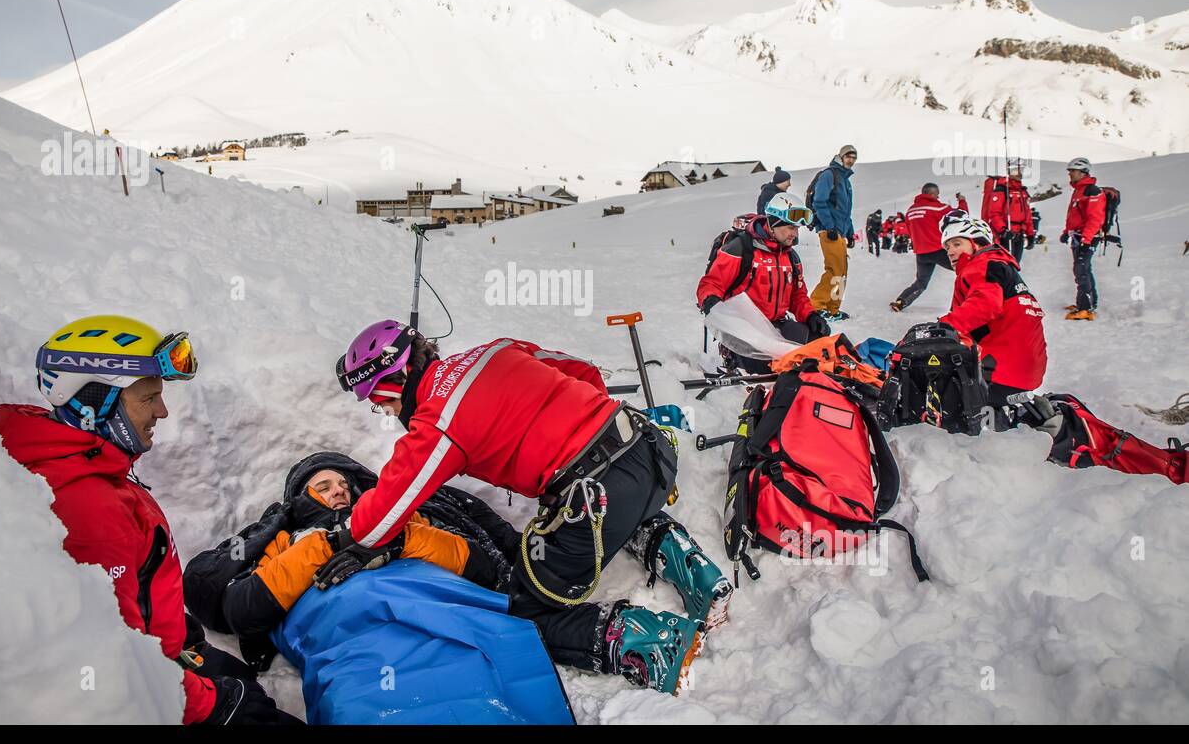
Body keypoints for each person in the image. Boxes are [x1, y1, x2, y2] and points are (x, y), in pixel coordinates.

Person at [333, 323, 733, 695]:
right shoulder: (495, 351)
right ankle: (691, 566)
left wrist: (344, 537)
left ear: (397, 381)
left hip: (600, 490)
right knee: (612, 504)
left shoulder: (438, 421)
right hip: (648, 449)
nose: (386, 413)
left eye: (380, 403)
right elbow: (585, 372)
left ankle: (642, 639)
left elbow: (382, 515)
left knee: (522, 611)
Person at [0, 315, 297, 724]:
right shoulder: (87, 504)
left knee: (238, 677)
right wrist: (213, 706)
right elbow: (112, 651)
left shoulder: (81, 459)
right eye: (148, 398)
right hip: (163, 692)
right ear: (94, 401)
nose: (163, 411)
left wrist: (177, 630)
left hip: (170, 652)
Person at [185, 452, 516, 662]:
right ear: (301, 499)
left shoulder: (396, 519)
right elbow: (244, 609)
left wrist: (397, 541)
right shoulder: (287, 540)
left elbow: (480, 568)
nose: (340, 490)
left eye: (343, 484)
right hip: (353, 649)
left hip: (439, 620)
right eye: (325, 486)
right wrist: (334, 543)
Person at [697, 192, 831, 373]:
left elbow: (797, 295)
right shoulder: (742, 249)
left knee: (819, 350)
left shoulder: (790, 256)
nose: (795, 234)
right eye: (791, 228)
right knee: (769, 368)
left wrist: (810, 316)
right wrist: (711, 301)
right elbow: (712, 283)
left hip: (777, 325)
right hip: (746, 328)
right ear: (774, 223)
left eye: (797, 229)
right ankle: (733, 357)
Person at [938, 214, 1047, 426]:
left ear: (977, 242)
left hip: (1001, 372)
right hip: (1026, 370)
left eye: (956, 243)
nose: (950, 251)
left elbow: (985, 305)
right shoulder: (1001, 266)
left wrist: (943, 327)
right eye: (947, 247)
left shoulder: (982, 265)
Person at [808, 145, 857, 320]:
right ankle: (816, 306)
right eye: (848, 156)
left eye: (854, 158)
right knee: (834, 270)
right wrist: (829, 227)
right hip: (829, 232)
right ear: (840, 157)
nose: (851, 160)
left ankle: (833, 309)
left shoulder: (846, 181)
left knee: (842, 273)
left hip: (840, 233)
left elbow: (845, 211)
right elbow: (819, 202)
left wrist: (849, 233)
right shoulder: (830, 175)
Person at [890, 183, 955, 312]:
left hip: (922, 253)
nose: (938, 197)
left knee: (921, 282)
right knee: (964, 271)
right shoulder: (939, 208)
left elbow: (909, 231)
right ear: (931, 194)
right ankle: (959, 306)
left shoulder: (910, 211)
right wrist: (962, 201)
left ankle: (900, 301)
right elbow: (959, 217)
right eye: (937, 194)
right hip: (939, 250)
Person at [1060, 157, 1106, 320]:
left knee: (1081, 271)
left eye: (1073, 171)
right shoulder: (1078, 190)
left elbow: (1095, 218)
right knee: (1083, 270)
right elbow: (1074, 215)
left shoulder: (1092, 191)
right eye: (1070, 171)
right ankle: (1086, 303)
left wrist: (1086, 240)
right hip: (1078, 236)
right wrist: (1067, 231)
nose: (1070, 174)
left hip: (1087, 238)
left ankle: (1085, 308)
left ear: (1083, 172)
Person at [981, 158, 1035, 263]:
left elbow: (1027, 215)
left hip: (1019, 234)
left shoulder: (1022, 191)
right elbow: (994, 213)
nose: (1019, 173)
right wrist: (1003, 231)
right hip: (1006, 235)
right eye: (1016, 170)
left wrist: (1030, 234)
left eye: (1021, 170)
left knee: (1015, 264)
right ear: (1009, 171)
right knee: (1005, 265)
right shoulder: (1002, 189)